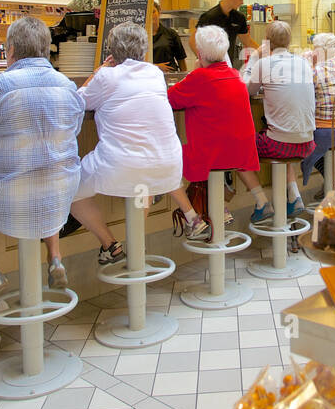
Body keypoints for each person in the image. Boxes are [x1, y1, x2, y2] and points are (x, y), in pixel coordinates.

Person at [0, 15, 82, 307]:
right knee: (44, 179)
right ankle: (55, 257)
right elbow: (73, 131)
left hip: (11, 199)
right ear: (47, 49)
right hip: (61, 195)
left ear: (9, 50)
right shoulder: (68, 86)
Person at [69, 21, 182, 264]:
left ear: (111, 50)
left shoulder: (107, 76)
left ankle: (110, 245)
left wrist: (96, 73)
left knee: (68, 189)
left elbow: (76, 103)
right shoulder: (155, 73)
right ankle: (136, 248)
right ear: (144, 50)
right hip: (166, 168)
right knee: (142, 187)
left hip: (122, 167)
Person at [166, 25, 259, 240]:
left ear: (199, 53)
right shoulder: (236, 75)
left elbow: (170, 98)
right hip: (241, 155)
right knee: (208, 154)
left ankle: (195, 217)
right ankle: (218, 209)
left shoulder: (197, 78)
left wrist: (196, 70)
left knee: (164, 159)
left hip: (210, 156)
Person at [237, 20, 315, 221]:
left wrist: (254, 58)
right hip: (307, 144)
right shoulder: (303, 63)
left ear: (267, 42)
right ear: (289, 41)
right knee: (282, 135)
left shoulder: (264, 64)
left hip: (280, 145)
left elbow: (244, 91)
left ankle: (262, 202)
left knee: (236, 148)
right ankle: (295, 196)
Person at [301, 32, 335, 194]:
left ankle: (293, 196)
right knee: (323, 150)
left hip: (326, 133)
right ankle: (333, 182)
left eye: (315, 48)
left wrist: (305, 63)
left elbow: (302, 93)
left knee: (295, 149)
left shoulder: (316, 71)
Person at [194, 0, 257, 68]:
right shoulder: (209, 17)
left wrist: (266, 53)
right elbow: (193, 40)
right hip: (209, 68)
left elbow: (248, 41)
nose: (242, 2)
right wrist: (202, 60)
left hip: (227, 66)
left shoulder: (239, 18)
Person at [151, 1, 188, 73]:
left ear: (159, 13)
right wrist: (156, 67)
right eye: (148, 13)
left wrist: (184, 77)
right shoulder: (140, 36)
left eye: (153, 12)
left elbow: (181, 59)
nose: (151, 15)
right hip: (150, 77)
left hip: (170, 77)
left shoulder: (171, 34)